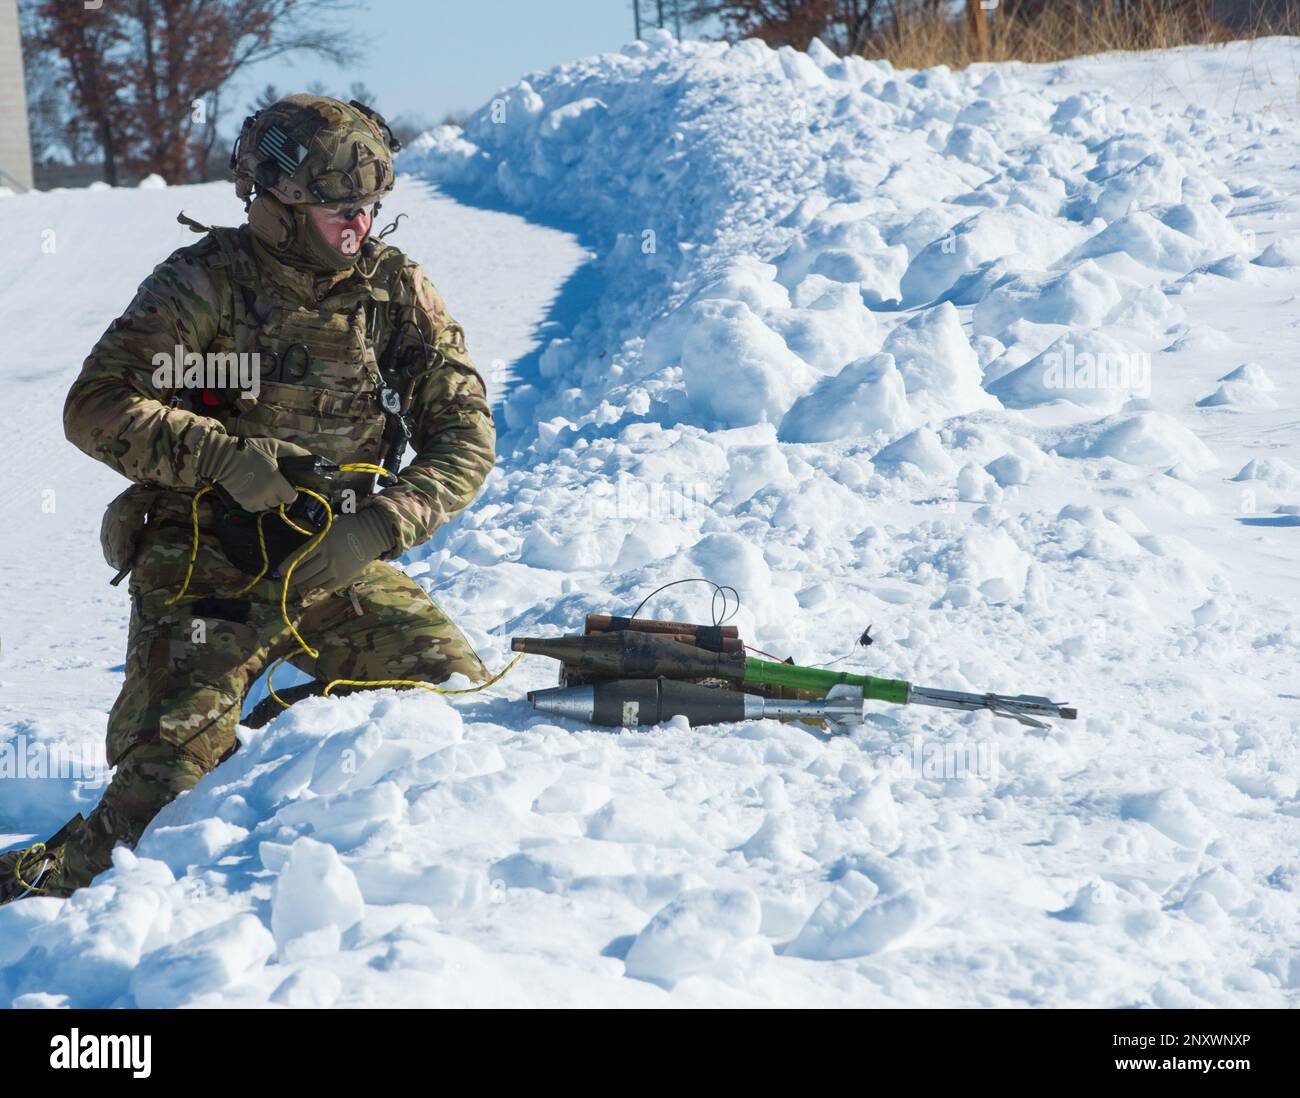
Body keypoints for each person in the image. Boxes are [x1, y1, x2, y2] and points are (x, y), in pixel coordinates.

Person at [0, 95, 496, 903]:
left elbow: (466, 434)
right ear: (276, 201)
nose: (358, 228)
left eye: (368, 209)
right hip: (205, 561)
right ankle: (28, 886)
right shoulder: (203, 281)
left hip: (330, 559)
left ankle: (280, 753)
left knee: (444, 711)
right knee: (154, 813)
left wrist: (378, 527)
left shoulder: (392, 288)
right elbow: (95, 407)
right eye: (339, 210)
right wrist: (224, 459)